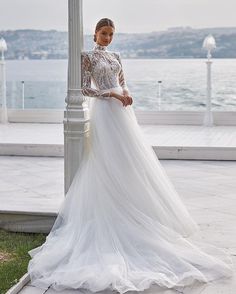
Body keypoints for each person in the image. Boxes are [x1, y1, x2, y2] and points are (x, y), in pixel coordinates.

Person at [27, 18, 233, 293]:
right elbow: (83, 88)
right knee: (106, 161)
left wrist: (127, 94)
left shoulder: (116, 55)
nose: (108, 38)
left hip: (122, 114)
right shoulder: (86, 57)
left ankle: (135, 210)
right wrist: (110, 96)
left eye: (111, 34)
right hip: (105, 111)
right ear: (95, 34)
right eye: (104, 33)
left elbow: (124, 82)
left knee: (130, 161)